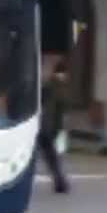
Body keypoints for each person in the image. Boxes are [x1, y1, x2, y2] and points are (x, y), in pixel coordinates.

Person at [37, 60, 70, 194]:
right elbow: (59, 111)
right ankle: (60, 183)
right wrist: (59, 128)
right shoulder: (57, 87)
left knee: (50, 156)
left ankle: (60, 183)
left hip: (44, 126)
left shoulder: (49, 86)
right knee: (51, 156)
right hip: (48, 127)